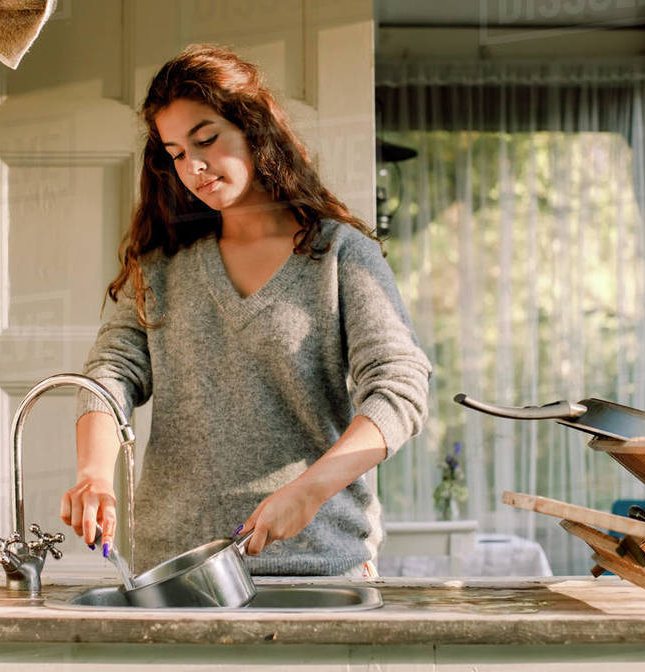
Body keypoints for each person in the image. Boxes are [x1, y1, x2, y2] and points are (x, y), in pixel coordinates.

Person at [60, 44, 431, 576]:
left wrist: (309, 491)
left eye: (206, 139)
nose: (195, 166)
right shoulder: (163, 265)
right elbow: (110, 373)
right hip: (177, 570)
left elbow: (400, 386)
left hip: (316, 565)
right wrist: (94, 473)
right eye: (176, 153)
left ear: (254, 128)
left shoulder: (340, 255)